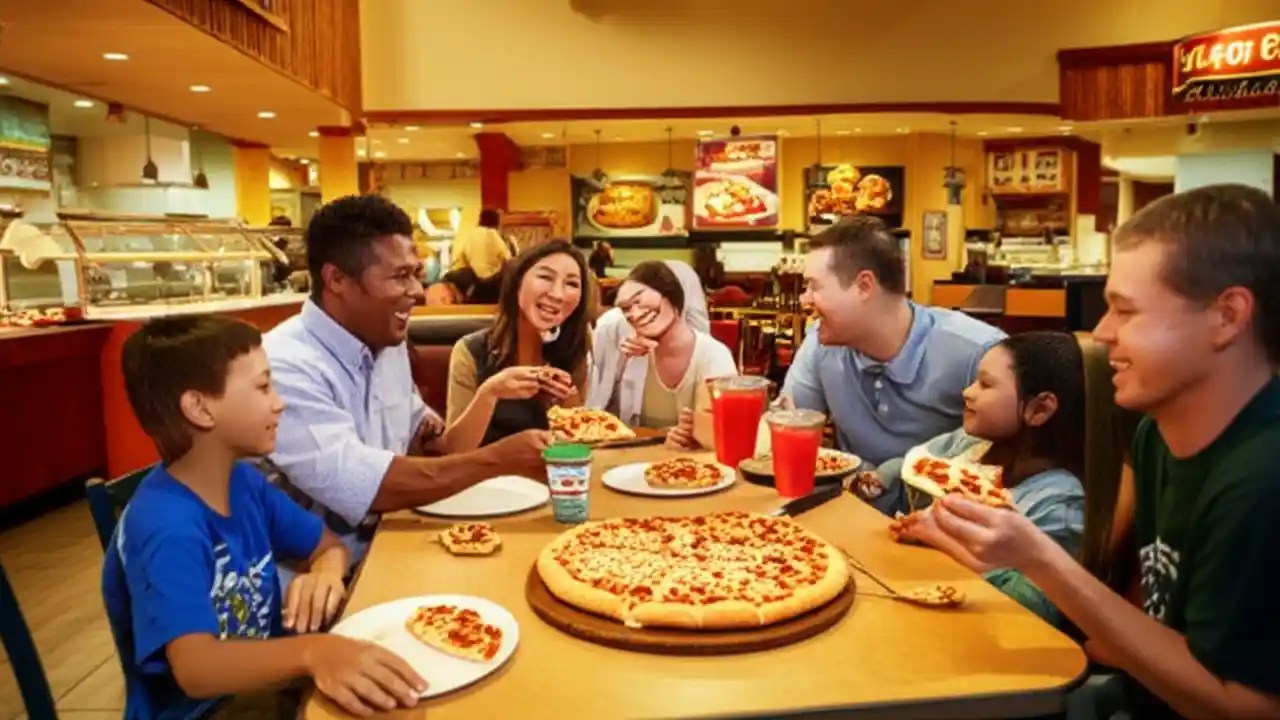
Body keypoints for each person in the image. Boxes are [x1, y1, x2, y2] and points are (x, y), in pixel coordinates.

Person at [931, 185, 1280, 718]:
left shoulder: (1262, 479)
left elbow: (1245, 707)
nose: (1102, 333)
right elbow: (1134, 616)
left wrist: (1035, 556)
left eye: (1126, 312)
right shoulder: (1152, 436)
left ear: (1227, 317)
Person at [102, 316, 426, 719]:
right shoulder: (166, 525)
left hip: (267, 690)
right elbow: (196, 669)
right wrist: (312, 652)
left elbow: (325, 544)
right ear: (200, 408)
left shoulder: (241, 481)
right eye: (262, 386)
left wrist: (323, 572)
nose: (279, 401)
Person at [263, 195, 549, 573]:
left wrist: (484, 403)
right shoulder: (284, 364)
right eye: (401, 276)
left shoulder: (386, 341)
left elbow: (426, 444)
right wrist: (499, 460)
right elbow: (368, 487)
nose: (418, 291)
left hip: (395, 543)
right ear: (337, 280)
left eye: (416, 272)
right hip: (318, 582)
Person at [855, 331, 1085, 628]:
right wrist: (879, 481)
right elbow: (912, 468)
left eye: (985, 384)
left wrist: (941, 538)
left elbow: (1034, 607)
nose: (967, 392)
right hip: (919, 597)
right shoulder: (968, 445)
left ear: (1039, 409)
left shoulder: (1059, 502)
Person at [777, 215, 1005, 476]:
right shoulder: (821, 342)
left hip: (948, 508)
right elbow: (790, 427)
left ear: (864, 286)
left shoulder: (977, 351)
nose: (804, 299)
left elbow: (1012, 457)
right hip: (853, 507)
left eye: (813, 286)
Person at [446, 240, 590, 446]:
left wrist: (566, 401)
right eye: (545, 277)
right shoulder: (470, 351)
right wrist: (490, 393)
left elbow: (578, 444)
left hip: (552, 474)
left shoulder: (573, 348)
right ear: (517, 283)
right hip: (486, 475)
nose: (557, 294)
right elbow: (454, 452)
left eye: (572, 284)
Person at [586, 261, 736, 448]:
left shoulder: (714, 356)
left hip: (697, 469)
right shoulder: (628, 350)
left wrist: (689, 436)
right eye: (626, 309)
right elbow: (596, 413)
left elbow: (720, 434)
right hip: (634, 465)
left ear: (672, 297)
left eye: (639, 301)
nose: (635, 314)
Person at [451, 208, 513, 303]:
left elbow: (461, 258)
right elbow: (507, 257)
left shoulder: (469, 235)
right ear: (495, 220)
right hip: (492, 283)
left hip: (475, 285)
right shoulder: (491, 234)